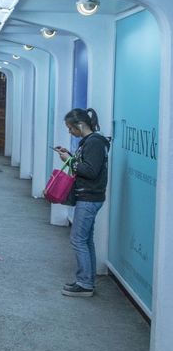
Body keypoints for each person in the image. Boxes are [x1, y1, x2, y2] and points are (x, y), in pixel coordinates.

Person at [53, 107, 110, 297]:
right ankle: (87, 280)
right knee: (86, 240)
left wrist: (69, 161)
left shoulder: (93, 142)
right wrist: (69, 155)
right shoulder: (94, 141)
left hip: (89, 197)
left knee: (78, 240)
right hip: (91, 197)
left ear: (80, 125)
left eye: (70, 128)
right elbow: (88, 165)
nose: (70, 132)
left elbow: (90, 171)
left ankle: (85, 284)